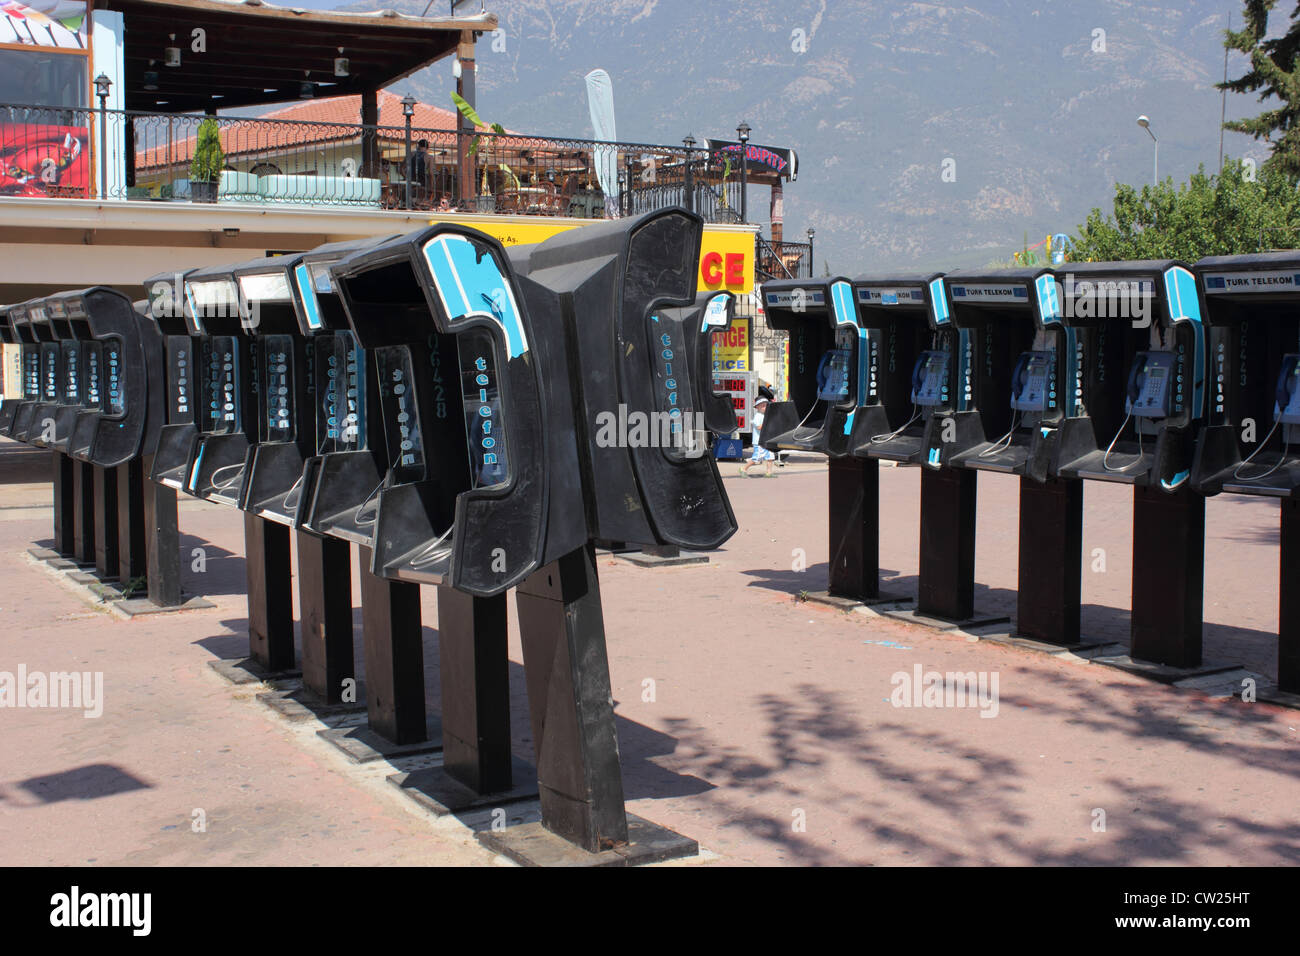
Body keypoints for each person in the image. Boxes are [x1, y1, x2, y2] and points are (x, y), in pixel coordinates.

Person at [740, 396, 776, 477]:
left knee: (770, 456)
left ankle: (769, 472)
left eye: (766, 405)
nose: (764, 407)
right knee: (757, 458)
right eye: (762, 406)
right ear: (757, 407)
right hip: (758, 441)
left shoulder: (766, 416)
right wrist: (768, 423)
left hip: (766, 440)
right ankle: (743, 468)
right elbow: (759, 427)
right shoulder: (758, 416)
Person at [405, 139, 430, 207]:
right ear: (427, 148)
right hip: (422, 183)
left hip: (410, 182)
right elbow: (431, 173)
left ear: (418, 146)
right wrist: (432, 185)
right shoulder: (428, 157)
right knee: (420, 200)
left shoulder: (410, 154)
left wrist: (406, 177)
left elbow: (400, 168)